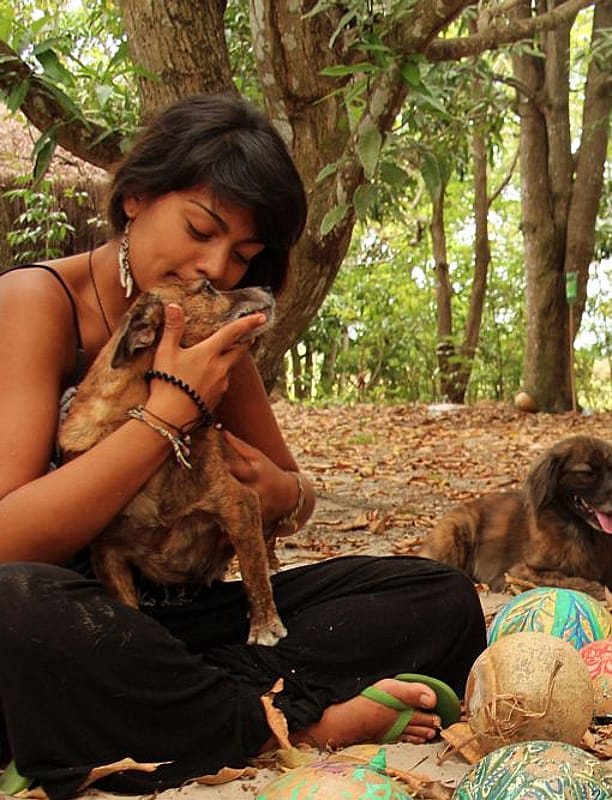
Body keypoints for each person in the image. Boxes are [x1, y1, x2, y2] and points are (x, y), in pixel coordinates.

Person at [0, 93, 486, 799]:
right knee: (15, 608)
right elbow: (10, 539)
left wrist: (285, 493)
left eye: (242, 255)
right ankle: (287, 725)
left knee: (437, 596)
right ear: (135, 197)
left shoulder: (209, 326)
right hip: (76, 615)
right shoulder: (36, 303)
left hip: (185, 627)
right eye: (200, 229)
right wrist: (169, 412)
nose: (216, 269)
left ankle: (185, 712)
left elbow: (287, 493)